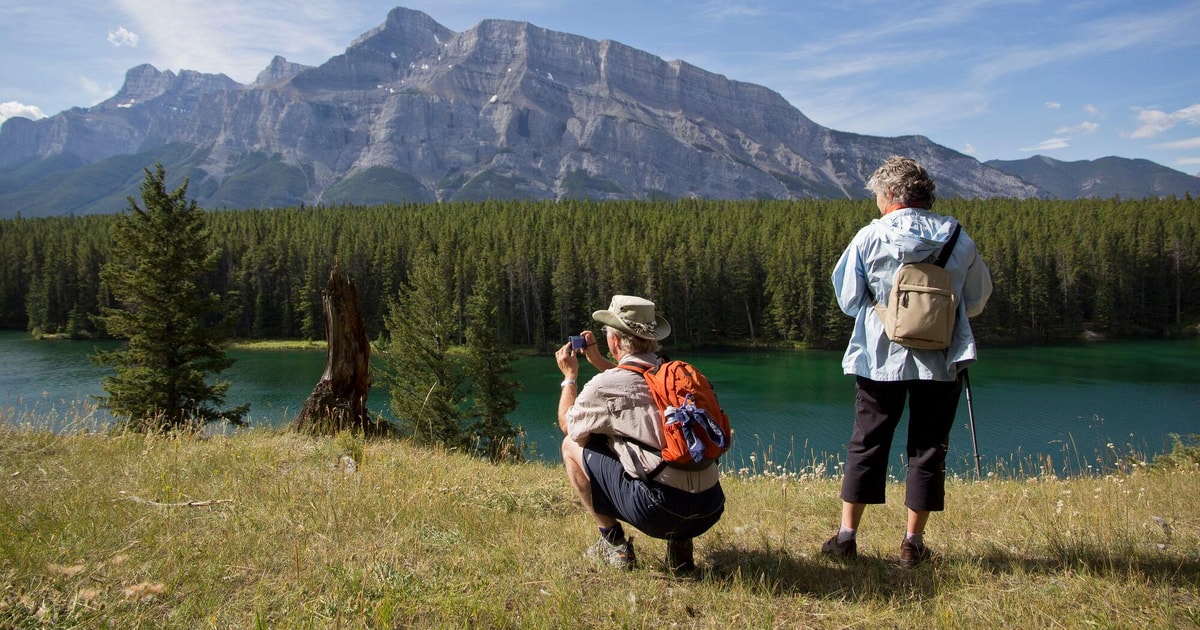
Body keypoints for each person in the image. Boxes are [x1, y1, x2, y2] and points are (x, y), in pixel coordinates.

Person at [823, 156, 992, 567]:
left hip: (879, 358)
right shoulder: (958, 237)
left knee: (867, 442)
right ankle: (912, 544)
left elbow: (848, 300)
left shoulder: (868, 237)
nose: (877, 203)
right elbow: (977, 298)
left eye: (879, 195)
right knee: (929, 447)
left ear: (892, 196)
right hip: (941, 358)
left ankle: (847, 538)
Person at [555, 295, 725, 572]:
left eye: (608, 332)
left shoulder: (604, 386)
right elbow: (636, 381)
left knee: (570, 445)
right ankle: (681, 553)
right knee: (671, 452)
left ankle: (614, 545)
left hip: (660, 512)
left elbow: (568, 424)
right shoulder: (675, 374)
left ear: (616, 341)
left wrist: (569, 377)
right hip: (709, 507)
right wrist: (598, 360)